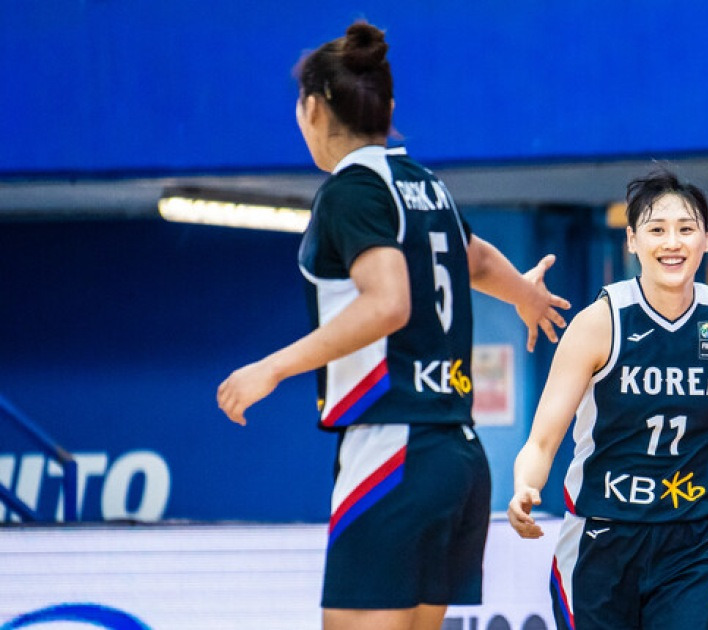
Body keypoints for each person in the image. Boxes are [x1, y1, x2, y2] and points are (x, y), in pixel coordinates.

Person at [216, 22, 569, 630]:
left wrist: (270, 368)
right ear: (389, 108)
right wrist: (526, 297)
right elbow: (477, 260)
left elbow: (387, 304)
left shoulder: (350, 191)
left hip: (395, 448)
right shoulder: (426, 185)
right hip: (459, 455)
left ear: (312, 109)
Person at [506, 168, 708, 630]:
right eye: (657, 230)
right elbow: (542, 440)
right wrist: (524, 486)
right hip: (603, 533)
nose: (672, 243)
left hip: (694, 538)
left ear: (706, 239)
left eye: (686, 229)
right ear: (632, 241)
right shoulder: (599, 324)